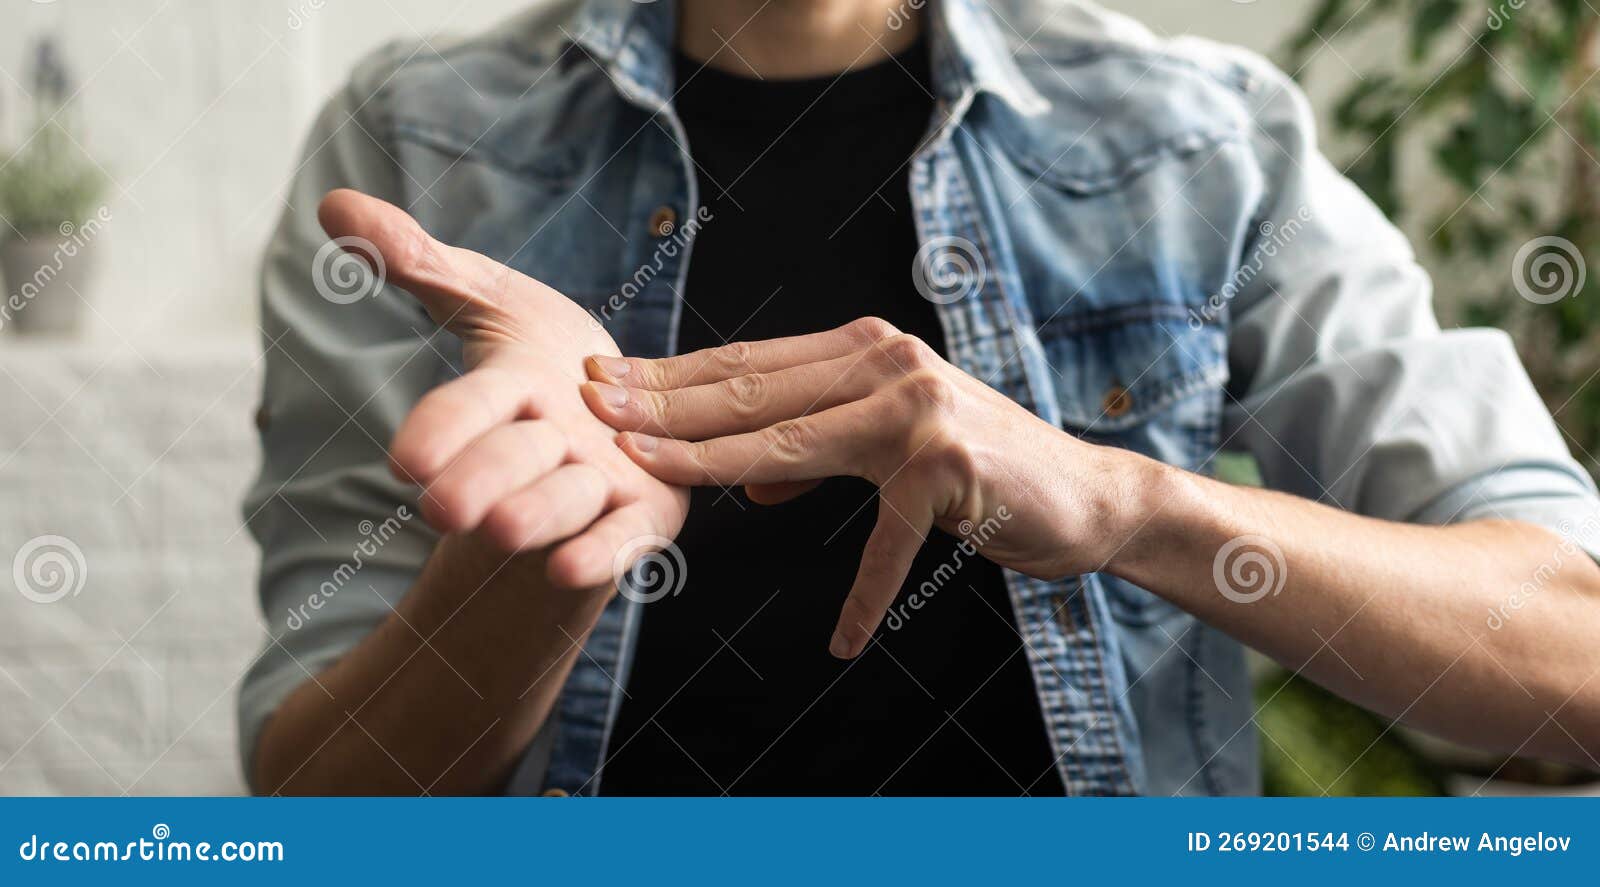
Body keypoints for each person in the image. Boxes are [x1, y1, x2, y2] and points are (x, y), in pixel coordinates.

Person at [240, 0, 1600, 796]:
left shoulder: (1203, 140)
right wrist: (529, 566)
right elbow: (313, 796)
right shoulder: (419, 140)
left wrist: (1124, 502)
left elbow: (1572, 661)